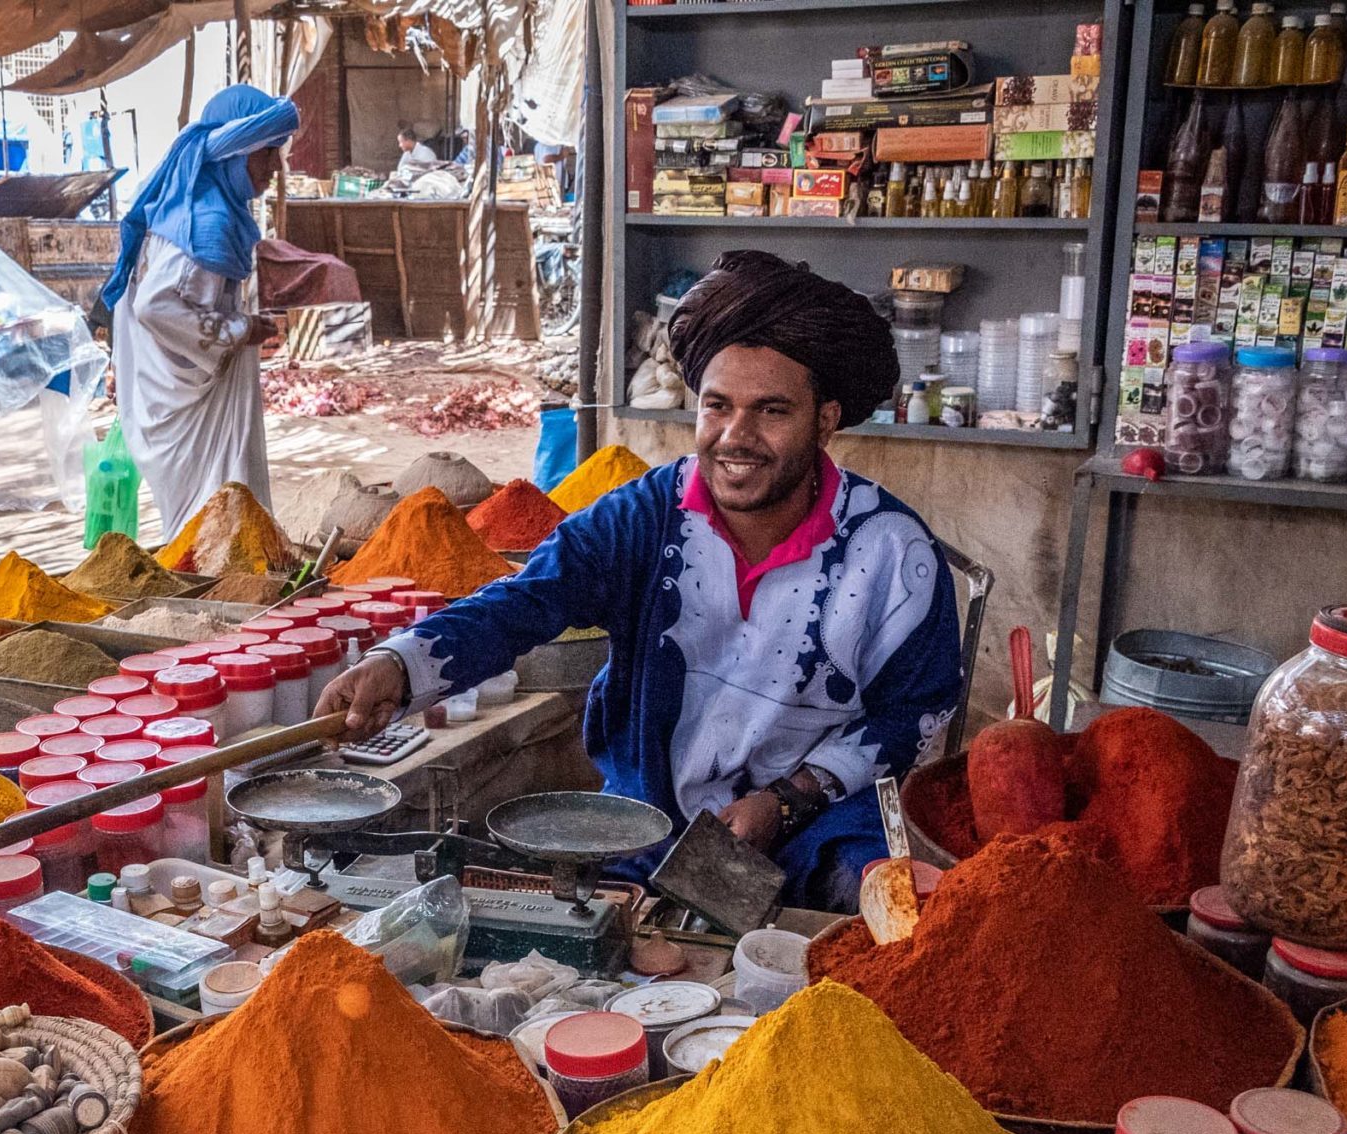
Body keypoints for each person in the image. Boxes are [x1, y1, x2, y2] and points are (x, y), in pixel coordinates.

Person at [316, 250, 963, 911]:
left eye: (771, 411)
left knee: (884, 906)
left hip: (818, 831)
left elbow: (914, 711)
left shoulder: (893, 551)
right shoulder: (643, 518)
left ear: (824, 421)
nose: (735, 437)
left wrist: (788, 801)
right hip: (651, 823)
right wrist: (399, 665)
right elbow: (524, 600)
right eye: (717, 406)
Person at [98, 84, 299, 536]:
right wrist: (238, 330)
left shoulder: (191, 203)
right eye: (268, 152)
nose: (275, 167)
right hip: (186, 400)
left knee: (206, 522)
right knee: (213, 518)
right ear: (235, 153)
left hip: (173, 388)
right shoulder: (209, 221)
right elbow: (155, 306)